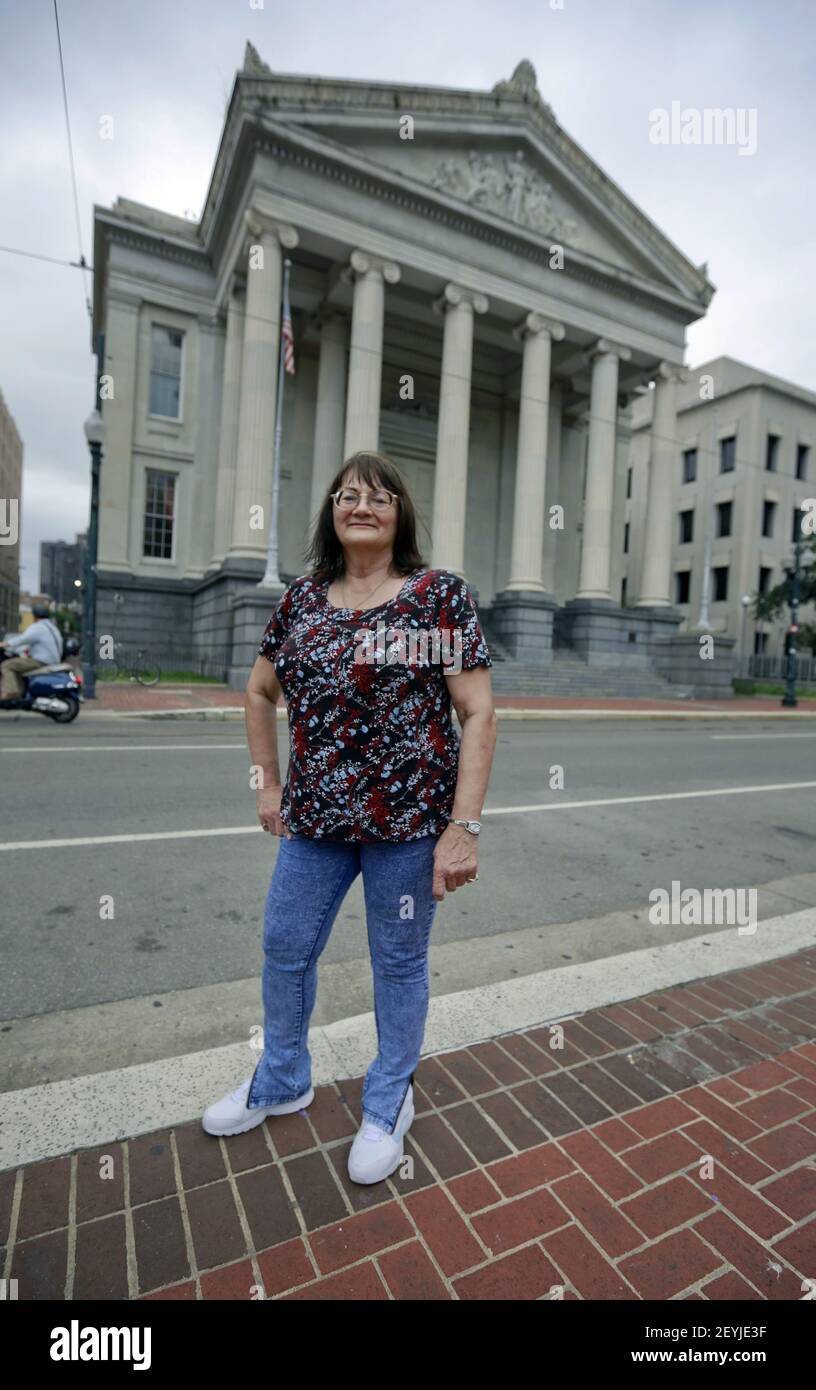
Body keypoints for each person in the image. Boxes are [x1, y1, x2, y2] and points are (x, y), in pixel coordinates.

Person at [203, 450, 497, 1184]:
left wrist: (464, 827)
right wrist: (266, 784)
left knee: (396, 963)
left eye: (378, 496)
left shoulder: (435, 598)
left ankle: (388, 1100)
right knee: (284, 942)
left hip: (408, 825)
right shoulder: (302, 599)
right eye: (347, 495)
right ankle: (282, 1078)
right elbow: (257, 692)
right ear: (331, 513)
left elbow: (477, 710)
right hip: (317, 820)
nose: (361, 505)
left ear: (400, 513)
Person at [0, 603, 63, 701]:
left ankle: (12, 692)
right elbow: (29, 643)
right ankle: (21, 692)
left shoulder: (38, 627)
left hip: (41, 662)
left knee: (7, 665)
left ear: (35, 616)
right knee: (18, 666)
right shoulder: (51, 627)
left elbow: (21, 639)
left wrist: (4, 644)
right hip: (53, 660)